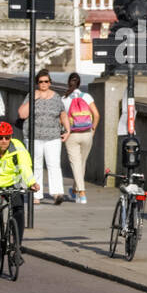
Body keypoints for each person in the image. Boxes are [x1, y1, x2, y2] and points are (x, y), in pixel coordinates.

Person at [0, 121, 40, 253]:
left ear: (11, 137)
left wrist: (31, 182)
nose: (4, 141)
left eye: (7, 137)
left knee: (19, 210)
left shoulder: (17, 147)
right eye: (0, 138)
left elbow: (25, 166)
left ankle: (17, 247)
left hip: (11, 183)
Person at [17, 69, 67, 204]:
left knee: (54, 165)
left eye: (46, 81)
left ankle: (57, 193)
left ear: (50, 82)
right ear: (37, 83)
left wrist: (67, 130)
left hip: (53, 136)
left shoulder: (56, 97)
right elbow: (22, 114)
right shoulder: (31, 95)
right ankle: (36, 194)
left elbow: (63, 114)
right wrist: (34, 98)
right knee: (36, 165)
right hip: (34, 137)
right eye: (41, 82)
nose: (44, 84)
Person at [62, 72, 100, 204]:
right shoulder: (87, 97)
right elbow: (96, 114)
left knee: (76, 164)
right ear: (79, 83)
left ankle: (82, 193)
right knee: (81, 163)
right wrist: (93, 130)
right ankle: (75, 190)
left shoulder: (64, 99)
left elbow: (61, 119)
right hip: (87, 133)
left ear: (69, 83)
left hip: (71, 134)